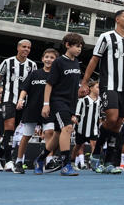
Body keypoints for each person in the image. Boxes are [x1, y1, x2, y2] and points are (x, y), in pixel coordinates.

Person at [79, 10, 124, 174]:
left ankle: (110, 161)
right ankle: (96, 154)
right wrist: (84, 81)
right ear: (117, 19)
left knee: (118, 123)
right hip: (109, 84)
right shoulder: (106, 37)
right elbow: (94, 59)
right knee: (111, 117)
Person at [0, 39, 37, 171]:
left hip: (23, 101)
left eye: (29, 48)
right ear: (18, 48)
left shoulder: (32, 65)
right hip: (8, 99)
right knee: (9, 127)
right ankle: (9, 161)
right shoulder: (7, 62)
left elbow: (33, 84)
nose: (26, 49)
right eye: (24, 47)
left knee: (11, 132)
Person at [41, 33, 85, 176]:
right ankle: (66, 165)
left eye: (81, 46)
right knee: (67, 129)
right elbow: (49, 84)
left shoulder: (76, 63)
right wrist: (46, 104)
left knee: (58, 134)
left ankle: (40, 159)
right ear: (67, 45)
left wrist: (75, 109)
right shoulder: (59, 62)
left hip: (71, 103)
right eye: (77, 46)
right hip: (58, 101)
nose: (79, 49)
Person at [14, 49, 57, 174]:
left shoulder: (57, 75)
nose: (49, 59)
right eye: (47, 57)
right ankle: (19, 161)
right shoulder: (34, 73)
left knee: (49, 132)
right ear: (42, 59)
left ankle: (49, 161)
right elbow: (24, 88)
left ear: (56, 61)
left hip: (49, 109)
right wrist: (20, 100)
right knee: (26, 136)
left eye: (52, 57)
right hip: (32, 109)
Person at [73, 80, 100, 170]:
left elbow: (100, 116)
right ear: (91, 88)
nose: (99, 89)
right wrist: (75, 121)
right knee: (78, 145)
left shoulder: (100, 101)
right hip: (81, 128)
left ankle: (95, 165)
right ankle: (72, 161)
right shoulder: (83, 100)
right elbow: (77, 114)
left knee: (94, 144)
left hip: (94, 128)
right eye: (97, 87)